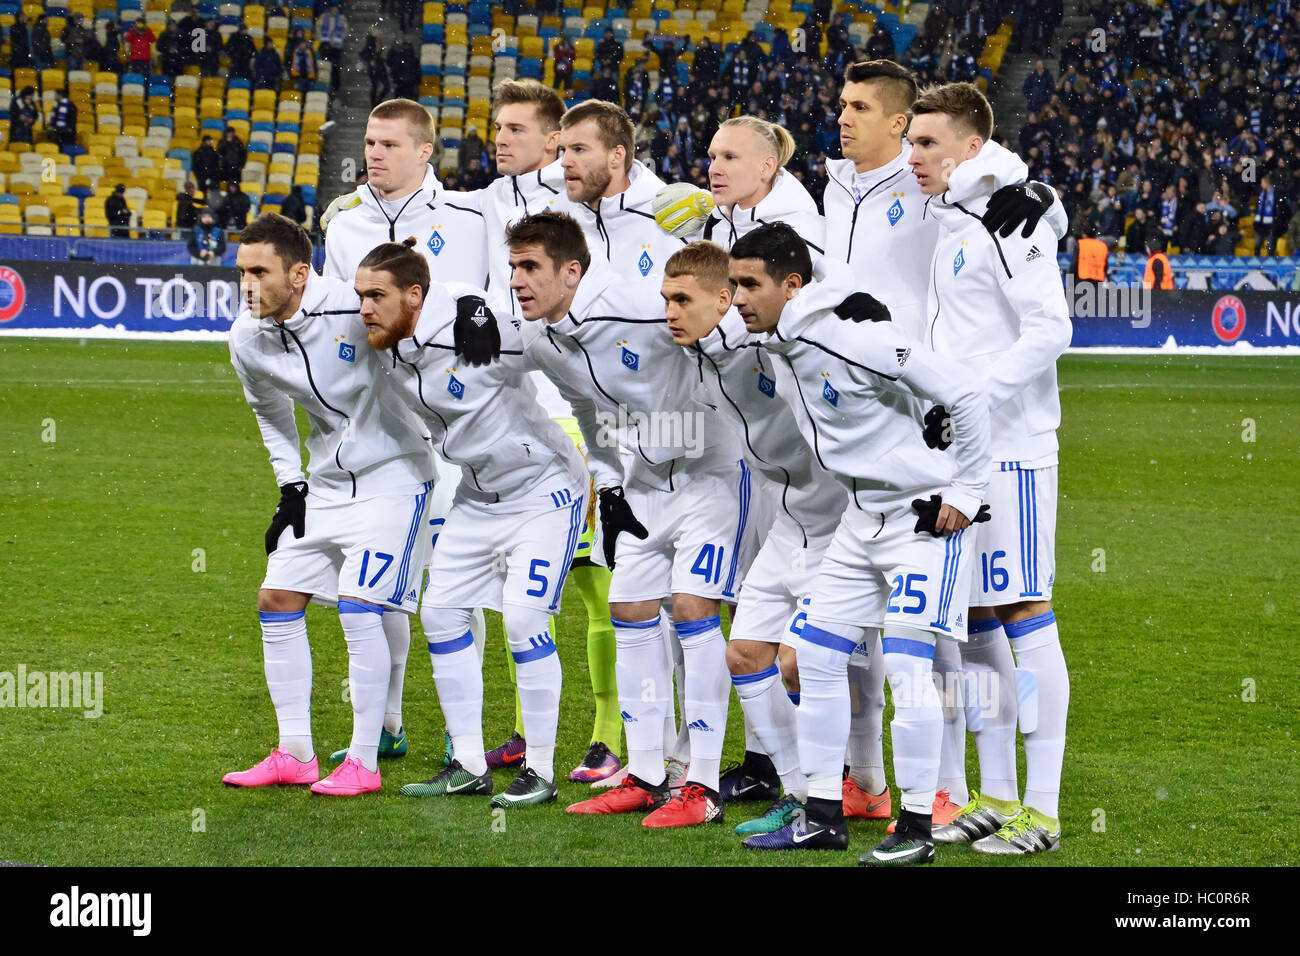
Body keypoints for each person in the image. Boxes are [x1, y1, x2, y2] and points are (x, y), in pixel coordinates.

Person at [727, 223, 989, 865]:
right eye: (733, 284)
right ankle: (821, 814)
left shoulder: (848, 337)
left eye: (748, 284)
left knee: (906, 668)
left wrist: (969, 487)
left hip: (922, 521)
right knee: (813, 658)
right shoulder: (782, 335)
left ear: (791, 285)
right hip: (859, 520)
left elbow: (964, 390)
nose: (736, 298)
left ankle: (919, 828)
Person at [511, 211, 744, 828]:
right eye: (513, 267)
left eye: (529, 267)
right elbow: (587, 410)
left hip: (711, 480)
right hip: (641, 491)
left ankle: (704, 784)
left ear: (571, 270)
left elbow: (723, 317)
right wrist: (610, 486)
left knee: (695, 611)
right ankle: (645, 772)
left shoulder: (640, 304)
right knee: (631, 612)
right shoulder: (543, 340)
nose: (517, 281)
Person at [354, 239, 587, 808]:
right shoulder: (386, 347)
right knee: (438, 612)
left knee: (525, 621)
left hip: (545, 491)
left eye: (376, 296)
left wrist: (475, 305)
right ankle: (466, 762)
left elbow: (542, 333)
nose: (365, 308)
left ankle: (541, 769)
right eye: (360, 296)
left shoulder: (466, 327)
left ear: (415, 296)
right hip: (478, 497)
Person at [908, 81, 1072, 855]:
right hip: (961, 455)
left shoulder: (1014, 210)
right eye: (910, 142)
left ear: (972, 147)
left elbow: (1051, 329)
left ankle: (1043, 810)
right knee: (972, 624)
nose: (915, 157)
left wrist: (974, 398)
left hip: (1012, 450)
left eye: (928, 143)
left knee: (1026, 616)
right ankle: (997, 794)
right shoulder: (953, 212)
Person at [222, 214, 436, 797]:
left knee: (361, 607)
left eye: (259, 272)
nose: (247, 286)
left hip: (396, 476)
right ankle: (295, 752)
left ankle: (364, 760)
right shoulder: (246, 335)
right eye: (241, 272)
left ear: (298, 273)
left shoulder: (353, 303)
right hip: (325, 486)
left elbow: (423, 308)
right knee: (276, 598)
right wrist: (290, 484)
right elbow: (269, 413)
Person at [460, 79, 622, 783]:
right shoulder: (482, 205)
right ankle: (529, 731)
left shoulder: (586, 206)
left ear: (555, 142)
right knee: (518, 590)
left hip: (577, 413)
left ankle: (609, 734)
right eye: (497, 128)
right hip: (512, 417)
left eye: (516, 130)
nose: (499, 139)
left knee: (593, 582)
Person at [320, 98, 490, 765]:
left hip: (453, 432)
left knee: (452, 586)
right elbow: (341, 325)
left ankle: (463, 737)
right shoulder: (345, 225)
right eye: (369, 142)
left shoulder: (475, 218)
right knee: (379, 583)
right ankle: (388, 723)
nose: (375, 154)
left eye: (390, 144)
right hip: (379, 434)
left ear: (426, 152)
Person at [662, 239, 849, 838]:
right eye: (666, 301)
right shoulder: (706, 354)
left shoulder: (784, 342)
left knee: (801, 663)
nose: (670, 313)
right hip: (791, 519)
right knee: (744, 654)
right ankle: (803, 793)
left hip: (845, 522)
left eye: (683, 301)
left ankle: (855, 789)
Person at [557, 100, 685, 295]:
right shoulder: (558, 223)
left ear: (616, 156)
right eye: (563, 150)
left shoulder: (672, 221)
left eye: (579, 149)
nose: (565, 162)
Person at [317, 3, 346, 94]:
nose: (334, 10)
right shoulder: (324, 17)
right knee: (325, 66)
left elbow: (345, 30)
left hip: (336, 46)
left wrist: (339, 39)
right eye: (333, 8)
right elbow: (318, 27)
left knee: (336, 66)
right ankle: (326, 85)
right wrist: (322, 39)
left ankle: (335, 85)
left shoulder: (342, 18)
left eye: (336, 8)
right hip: (326, 45)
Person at [362, 29, 390, 106]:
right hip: (374, 68)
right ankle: (374, 104)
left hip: (380, 66)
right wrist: (370, 60)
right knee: (375, 86)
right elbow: (363, 54)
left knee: (386, 87)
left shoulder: (380, 43)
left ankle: (376, 102)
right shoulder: (370, 43)